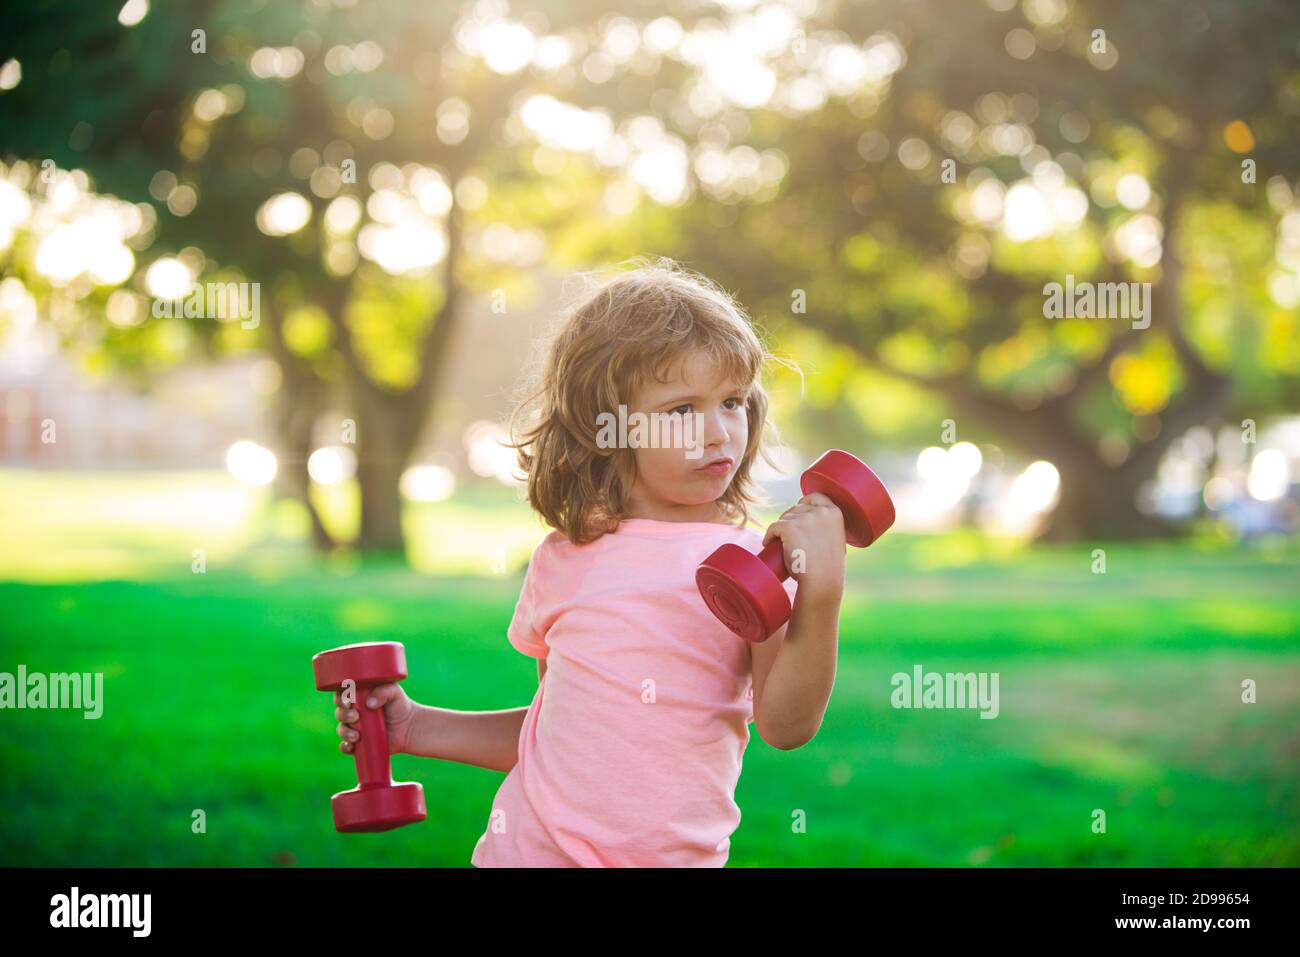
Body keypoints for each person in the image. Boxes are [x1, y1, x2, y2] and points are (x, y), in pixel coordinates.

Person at [331, 257, 849, 866]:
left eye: (732, 402)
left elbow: (787, 726)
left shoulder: (749, 564)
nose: (717, 433)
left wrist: (822, 595)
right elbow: (561, 734)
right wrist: (415, 727)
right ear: (607, 427)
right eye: (682, 410)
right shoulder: (566, 559)